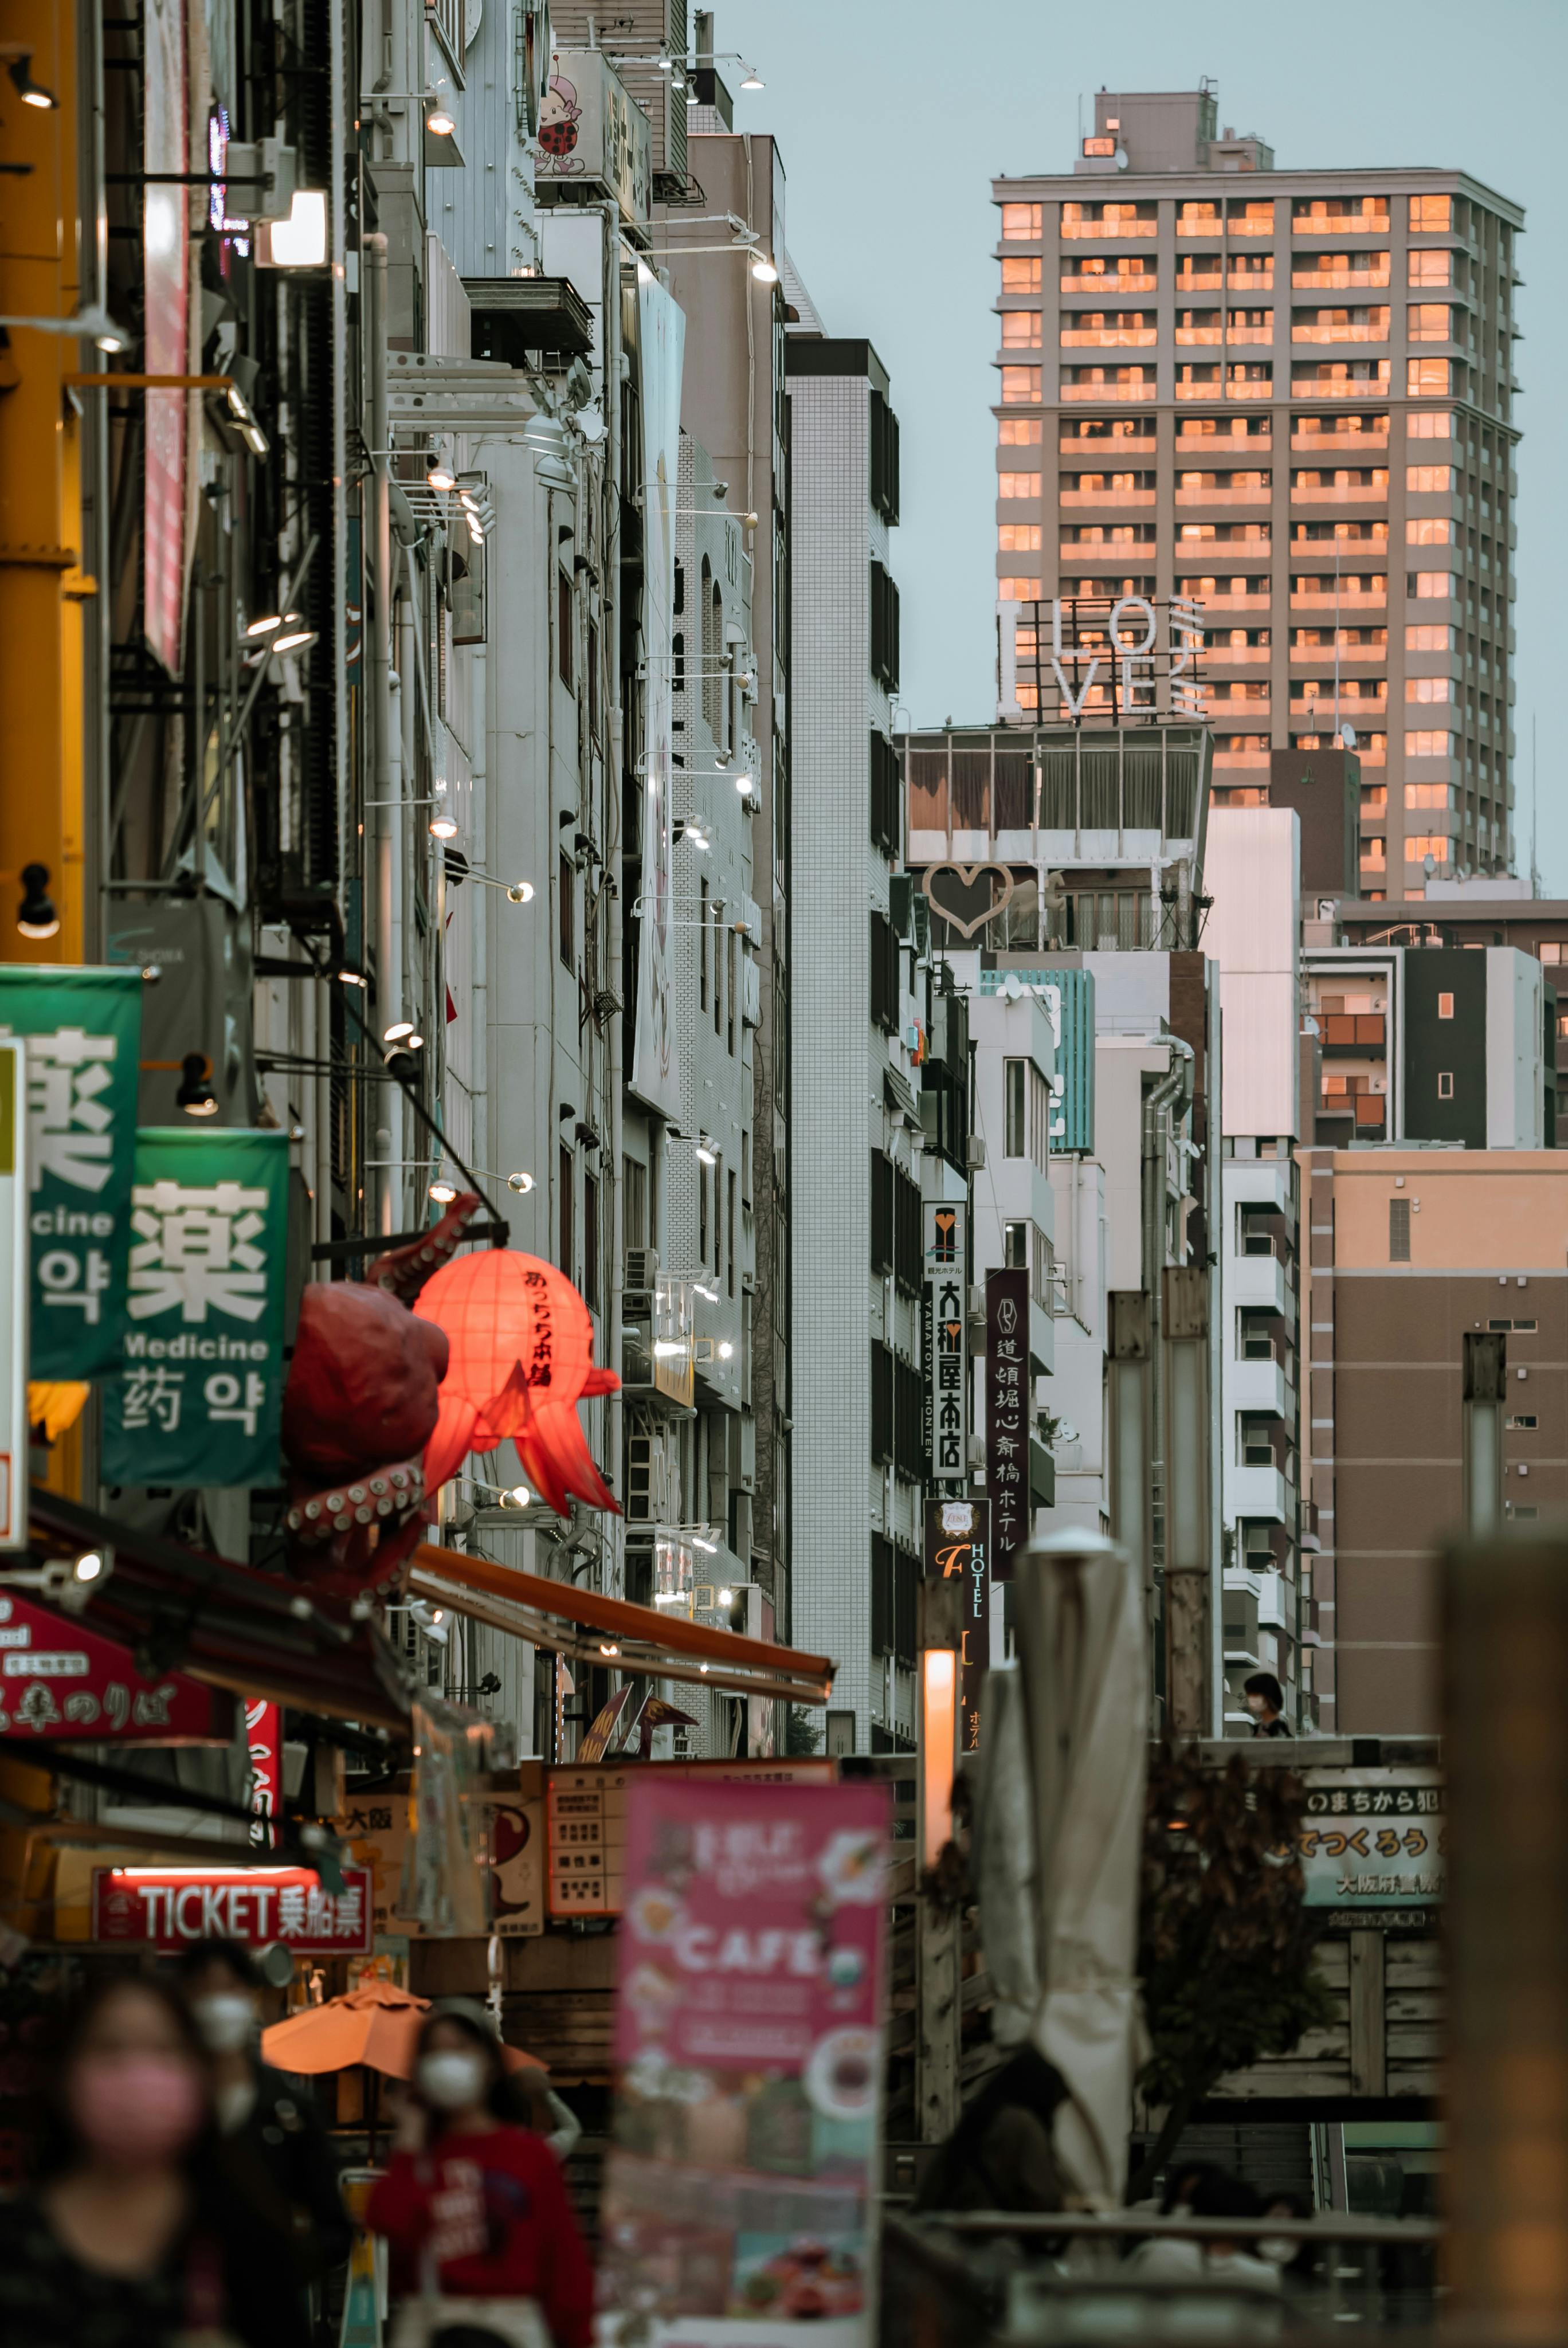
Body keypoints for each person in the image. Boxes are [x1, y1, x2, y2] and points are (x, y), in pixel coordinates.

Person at [0, 1970, 310, 2348]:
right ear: (65, 2073)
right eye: (110, 2047)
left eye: (164, 2049)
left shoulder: (242, 2237)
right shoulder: (14, 2241)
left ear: (199, 2077)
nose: (138, 2073)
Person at [366, 1999, 594, 2348]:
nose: (448, 2062)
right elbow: (387, 2221)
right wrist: (409, 2138)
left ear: (489, 2064)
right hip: (432, 2321)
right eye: (435, 2052)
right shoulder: (418, 2156)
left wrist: (579, 2338)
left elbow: (564, 2264)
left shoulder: (530, 2155)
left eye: (460, 2048)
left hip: (513, 2322)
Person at [177, 1937, 351, 2287]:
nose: (216, 2003)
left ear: (248, 1996)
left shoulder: (290, 2108)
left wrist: (284, 2269)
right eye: (203, 1990)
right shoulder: (163, 2102)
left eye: (228, 1988)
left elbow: (334, 2228)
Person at [913, 2045, 1068, 2215]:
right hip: (982, 2235)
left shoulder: (981, 2117)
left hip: (938, 2231)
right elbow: (1046, 2198)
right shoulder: (1023, 2124)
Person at [1243, 1672, 1292, 1738]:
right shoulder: (1258, 1728)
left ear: (1269, 1697)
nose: (1251, 1698)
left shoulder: (1279, 1729)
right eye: (1249, 1695)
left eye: (1255, 1694)